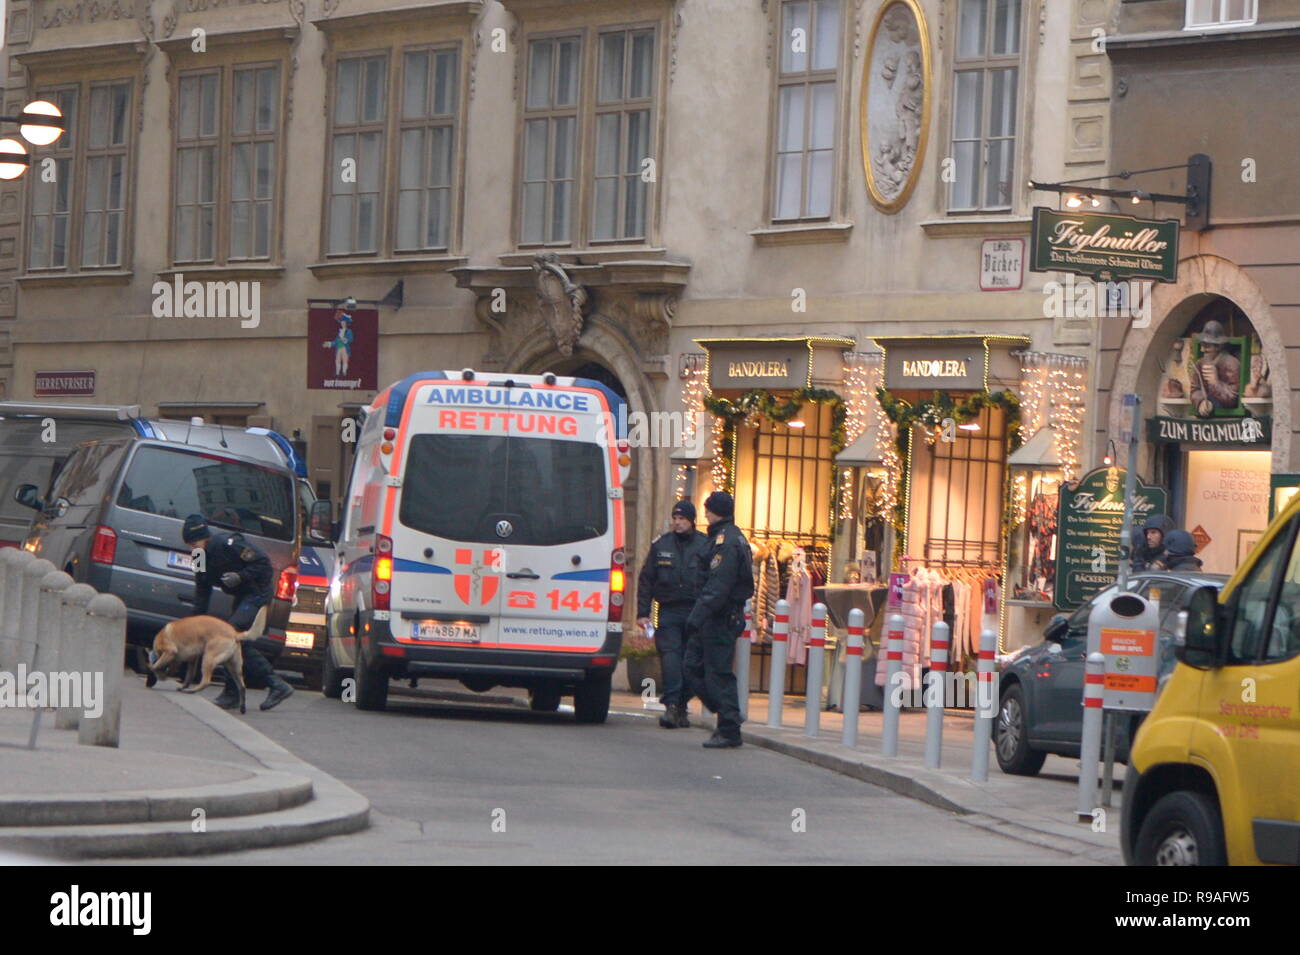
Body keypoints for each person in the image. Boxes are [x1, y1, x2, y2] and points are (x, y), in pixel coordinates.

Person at [182, 514, 295, 712]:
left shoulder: (227, 543)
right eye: (189, 545)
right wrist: (193, 624)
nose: (193, 548)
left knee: (230, 638)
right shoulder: (199, 558)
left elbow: (263, 565)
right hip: (242, 596)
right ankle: (233, 693)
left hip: (256, 593)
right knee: (233, 641)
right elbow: (202, 591)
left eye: (195, 543)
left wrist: (240, 576)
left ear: (205, 538)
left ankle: (276, 685)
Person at [684, 490, 754, 749]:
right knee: (693, 667)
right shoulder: (721, 538)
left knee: (717, 673)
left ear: (715, 512)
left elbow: (718, 586)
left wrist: (696, 617)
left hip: (719, 617)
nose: (705, 514)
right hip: (712, 615)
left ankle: (729, 727)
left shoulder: (727, 542)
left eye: (708, 509)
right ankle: (728, 713)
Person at [636, 500, 709, 729]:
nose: (678, 523)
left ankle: (682, 705)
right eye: (675, 519)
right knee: (670, 656)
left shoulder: (704, 545)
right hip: (668, 610)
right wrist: (642, 612)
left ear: (692, 521)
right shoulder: (662, 545)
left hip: (695, 611)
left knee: (692, 661)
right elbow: (647, 579)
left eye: (682, 519)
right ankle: (671, 706)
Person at [1188, 320, 1241, 416]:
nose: (1203, 350)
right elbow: (1195, 389)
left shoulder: (1232, 363)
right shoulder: (1199, 364)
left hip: (1227, 418)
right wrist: (1201, 402)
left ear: (1218, 346)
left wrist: (1215, 383)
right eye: (1202, 345)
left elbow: (1233, 398)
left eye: (1207, 346)